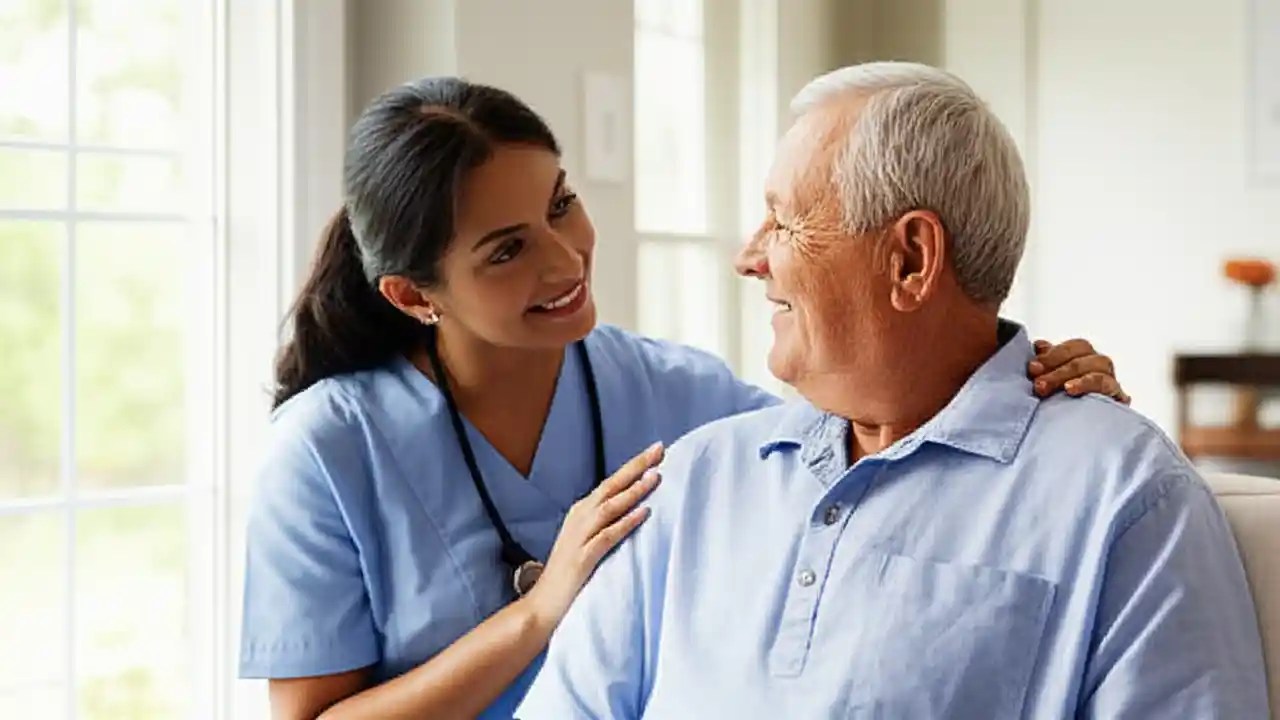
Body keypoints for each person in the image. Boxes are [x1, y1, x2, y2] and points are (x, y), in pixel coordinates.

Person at [238, 76, 1131, 720]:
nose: (565, 259)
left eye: (562, 205)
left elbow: (884, 409)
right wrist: (541, 614)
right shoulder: (323, 449)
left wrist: (1027, 378)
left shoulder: (680, 396)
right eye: (506, 250)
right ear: (414, 295)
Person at [517, 62, 1269, 719]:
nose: (749, 258)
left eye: (783, 221)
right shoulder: (690, 481)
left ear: (910, 259)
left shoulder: (1126, 496)